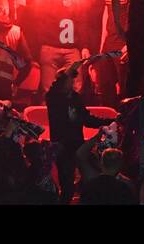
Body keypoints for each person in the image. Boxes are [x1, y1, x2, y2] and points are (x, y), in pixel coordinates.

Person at [44, 60, 115, 203]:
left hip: (78, 144)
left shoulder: (76, 98)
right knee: (67, 187)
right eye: (70, 79)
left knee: (90, 178)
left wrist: (110, 121)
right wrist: (69, 70)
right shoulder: (53, 98)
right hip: (62, 147)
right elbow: (56, 86)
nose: (73, 82)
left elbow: (86, 119)